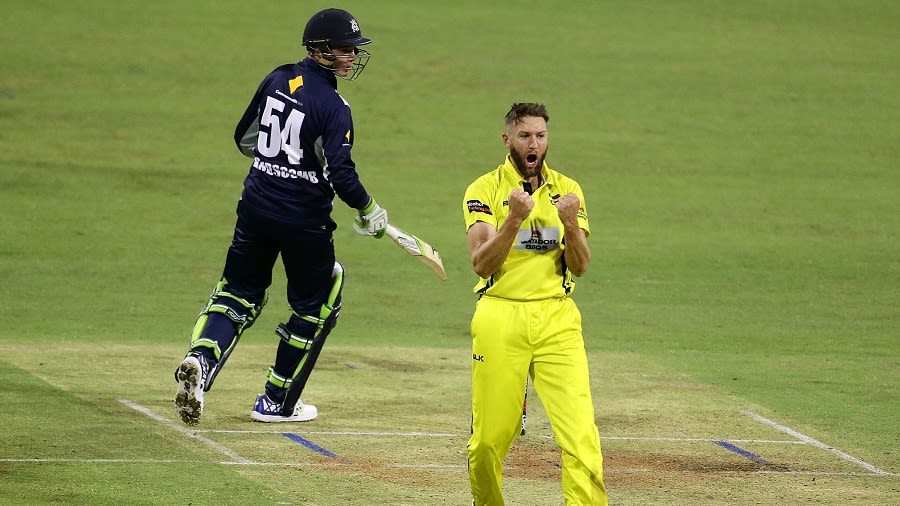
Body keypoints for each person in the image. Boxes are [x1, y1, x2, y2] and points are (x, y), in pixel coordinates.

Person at [174, 7, 388, 426]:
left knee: (237, 294)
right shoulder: (335, 107)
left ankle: (200, 359)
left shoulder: (277, 78)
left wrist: (280, 165)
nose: (351, 56)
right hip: (304, 222)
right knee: (319, 300)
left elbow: (244, 139)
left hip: (255, 207)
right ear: (320, 49)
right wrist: (368, 209)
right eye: (344, 49)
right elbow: (341, 174)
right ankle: (276, 402)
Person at [462, 103, 608, 505]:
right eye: (525, 136)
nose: (534, 144)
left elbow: (580, 266)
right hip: (500, 316)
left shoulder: (568, 191)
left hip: (557, 319)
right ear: (507, 139)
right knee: (488, 442)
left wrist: (571, 224)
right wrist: (514, 219)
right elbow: (481, 264)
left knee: (581, 438)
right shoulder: (483, 190)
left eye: (541, 136)